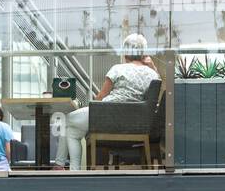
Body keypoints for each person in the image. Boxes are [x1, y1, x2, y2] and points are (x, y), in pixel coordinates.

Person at [53, 34, 159, 171]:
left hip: (106, 119)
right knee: (72, 131)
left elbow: (101, 96)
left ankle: (64, 167)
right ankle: (64, 168)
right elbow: (156, 91)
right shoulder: (152, 74)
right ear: (143, 53)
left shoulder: (118, 69)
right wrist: (152, 66)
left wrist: (90, 107)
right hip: (132, 124)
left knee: (66, 120)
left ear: (126, 52)